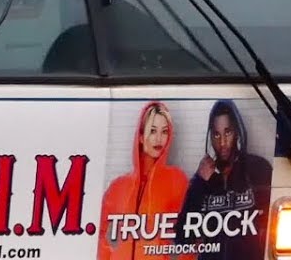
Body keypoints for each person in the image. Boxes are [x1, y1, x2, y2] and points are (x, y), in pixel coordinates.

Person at [177, 100, 274, 260]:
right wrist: (199, 183)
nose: (222, 142)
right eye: (216, 134)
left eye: (227, 132)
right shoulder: (203, 181)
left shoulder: (258, 169)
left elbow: (273, 228)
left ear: (237, 132)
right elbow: (182, 238)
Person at [98, 101, 190, 260]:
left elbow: (190, 236)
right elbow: (100, 235)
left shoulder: (177, 181)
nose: (159, 139)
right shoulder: (119, 187)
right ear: (141, 136)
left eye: (164, 131)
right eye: (153, 131)